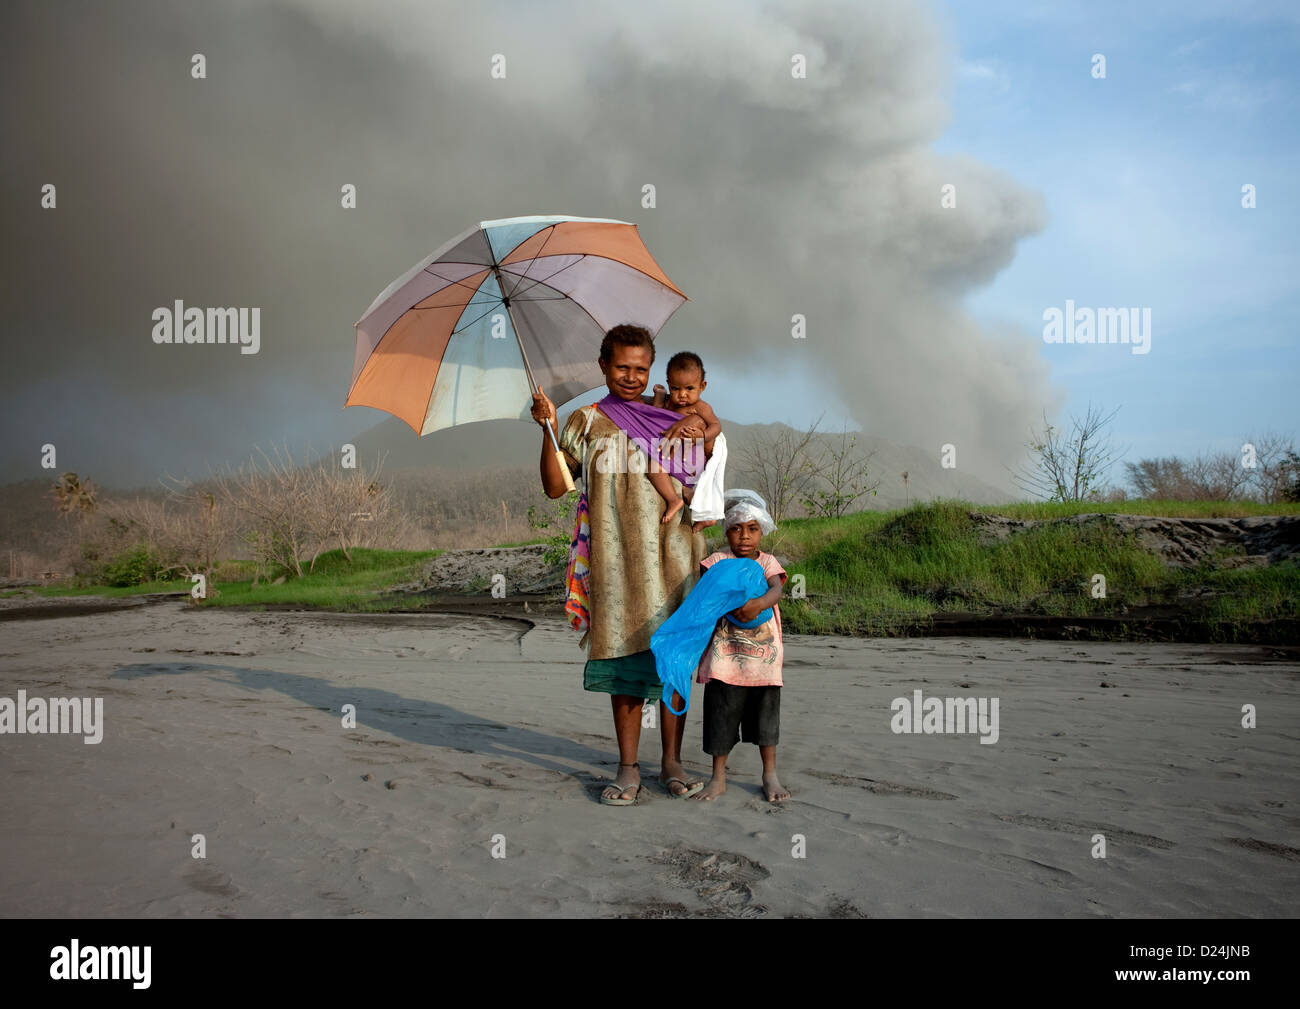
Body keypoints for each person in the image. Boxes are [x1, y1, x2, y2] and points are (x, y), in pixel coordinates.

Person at [532, 324, 710, 804]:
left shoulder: (669, 412)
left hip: (674, 557)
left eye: (641, 368)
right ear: (603, 367)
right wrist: (546, 429)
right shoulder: (585, 422)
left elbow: (705, 466)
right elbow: (555, 486)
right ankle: (628, 767)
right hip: (615, 565)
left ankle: (672, 762)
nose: (631, 377)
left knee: (672, 661)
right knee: (625, 662)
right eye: (621, 367)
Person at [692, 490, 791, 803]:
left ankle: (769, 775)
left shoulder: (767, 562)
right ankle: (718, 777)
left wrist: (757, 604)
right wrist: (733, 604)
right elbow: (707, 588)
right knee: (720, 716)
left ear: (762, 531)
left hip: (763, 660)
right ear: (727, 532)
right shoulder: (718, 561)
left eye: (752, 528)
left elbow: (776, 589)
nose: (744, 536)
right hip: (725, 658)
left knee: (766, 719)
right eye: (736, 529)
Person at [640, 352, 723, 531]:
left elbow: (716, 426)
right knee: (655, 470)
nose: (682, 395)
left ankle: (704, 514)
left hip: (693, 457)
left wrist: (701, 436)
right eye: (676, 389)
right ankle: (676, 501)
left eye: (689, 389)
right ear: (669, 384)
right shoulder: (670, 403)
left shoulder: (701, 407)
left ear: (702, 386)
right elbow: (656, 415)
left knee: (674, 479)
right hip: (672, 455)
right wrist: (660, 396)